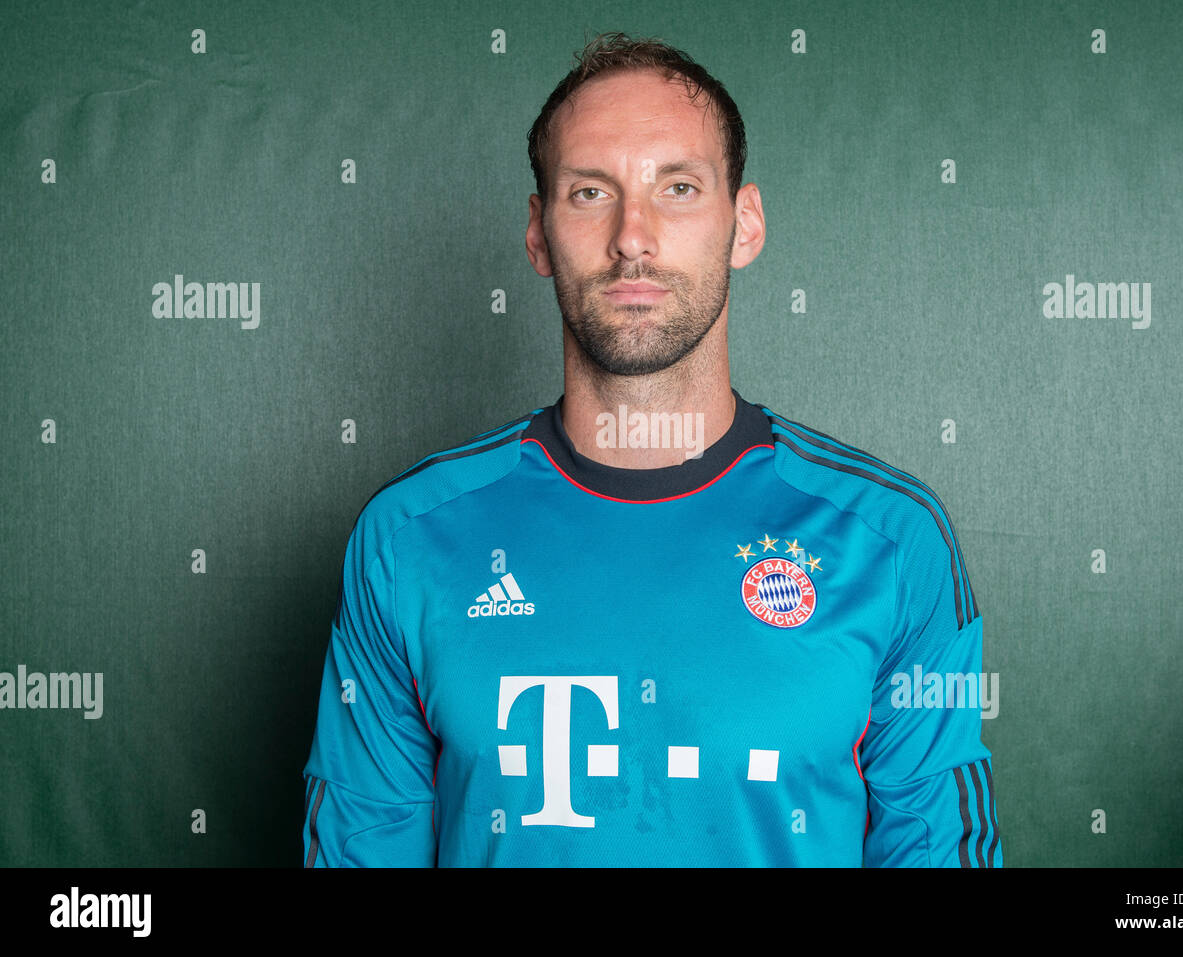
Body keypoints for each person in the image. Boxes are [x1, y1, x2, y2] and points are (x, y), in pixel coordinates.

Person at [301, 32, 1001, 867]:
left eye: (677, 187)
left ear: (744, 225)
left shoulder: (891, 541)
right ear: (537, 234)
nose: (633, 235)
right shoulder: (408, 539)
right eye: (591, 192)